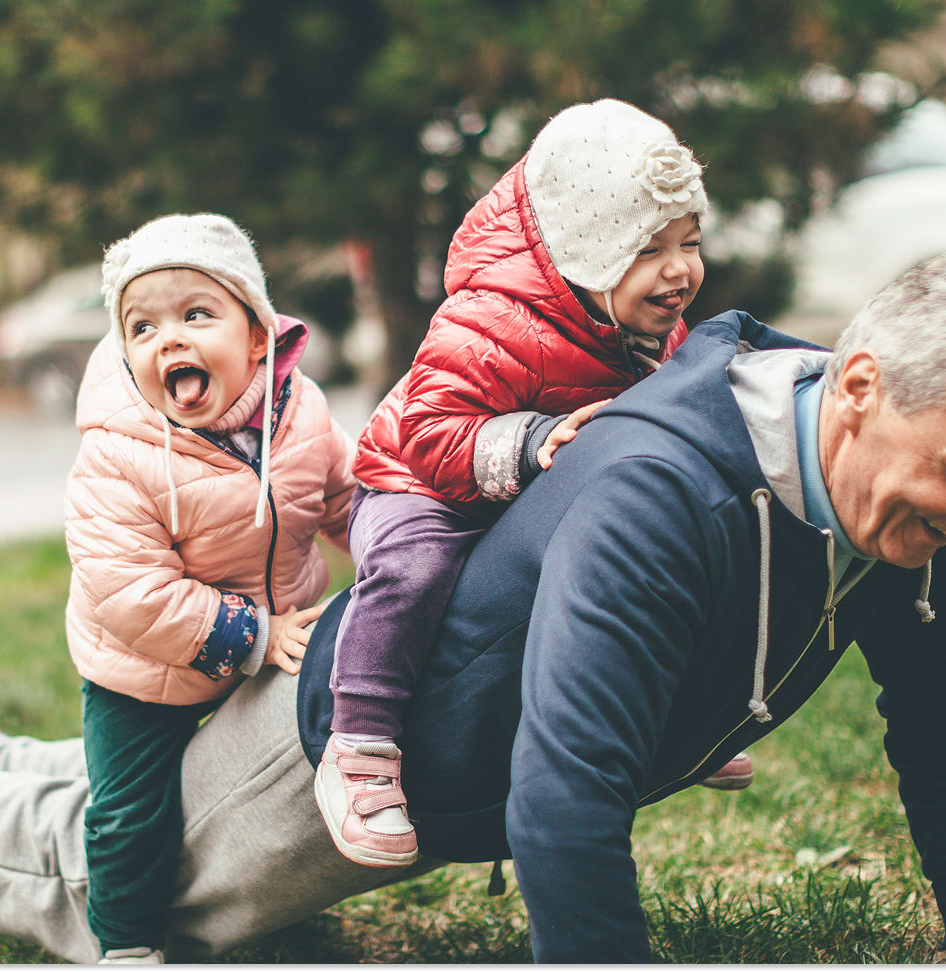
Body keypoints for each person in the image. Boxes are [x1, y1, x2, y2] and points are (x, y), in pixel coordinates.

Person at [0, 255, 946, 965]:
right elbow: (564, 795)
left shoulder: (892, 480)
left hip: (411, 758)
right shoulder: (665, 492)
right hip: (323, 760)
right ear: (863, 392)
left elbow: (941, 707)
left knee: (104, 793)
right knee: (90, 872)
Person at [319, 97, 746, 868]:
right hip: (422, 482)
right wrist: (533, 441)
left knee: (647, 558)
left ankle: (674, 715)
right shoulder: (485, 320)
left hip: (532, 485)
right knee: (413, 569)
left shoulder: (644, 325)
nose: (680, 268)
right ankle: (360, 743)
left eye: (689, 239)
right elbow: (428, 432)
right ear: (584, 250)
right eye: (649, 248)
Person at [58, 213, 357, 962]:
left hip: (267, 632)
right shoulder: (120, 454)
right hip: (142, 668)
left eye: (197, 314)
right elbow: (129, 591)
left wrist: (398, 547)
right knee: (130, 811)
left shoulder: (303, 413)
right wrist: (255, 635)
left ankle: (259, 897)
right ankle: (127, 944)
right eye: (142, 327)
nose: (170, 340)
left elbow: (344, 499)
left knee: (262, 781)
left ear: (258, 334)